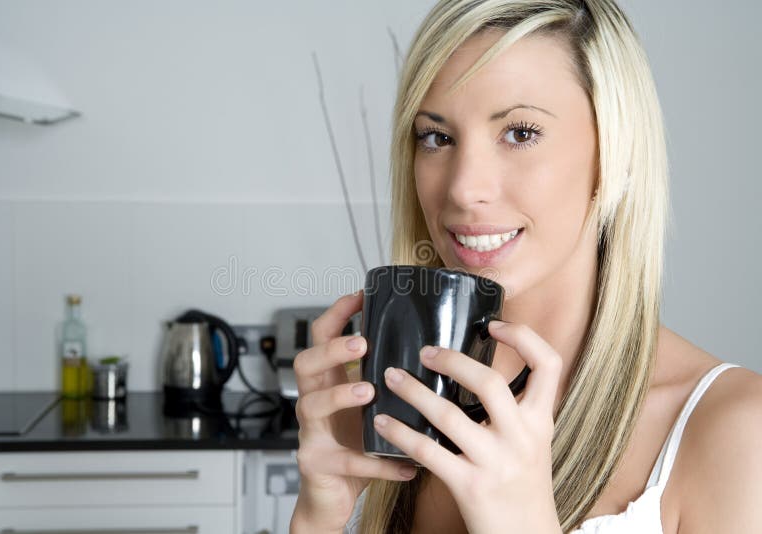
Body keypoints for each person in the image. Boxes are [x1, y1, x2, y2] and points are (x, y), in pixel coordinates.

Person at [289, 0, 762, 532]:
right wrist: (319, 516)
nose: (464, 189)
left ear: (616, 156)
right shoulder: (394, 407)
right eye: (437, 138)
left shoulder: (734, 430)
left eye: (520, 133)